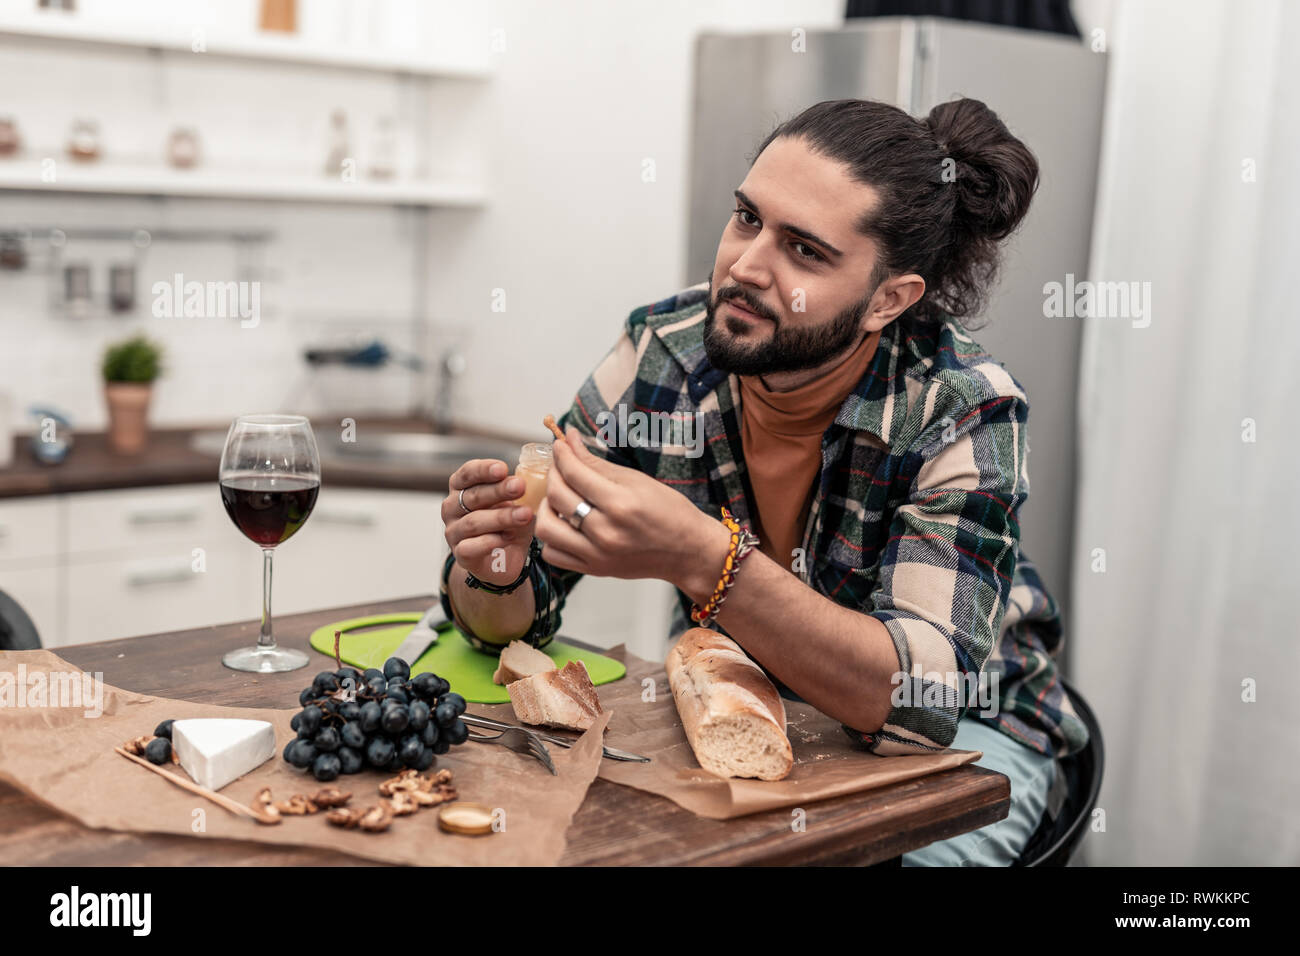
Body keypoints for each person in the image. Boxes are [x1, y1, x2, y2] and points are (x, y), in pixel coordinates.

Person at [439, 97, 1090, 865]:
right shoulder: (666, 352)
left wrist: (703, 559)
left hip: (973, 739)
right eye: (747, 218)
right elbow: (510, 608)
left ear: (889, 298)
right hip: (750, 708)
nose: (745, 266)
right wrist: (496, 570)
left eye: (804, 251)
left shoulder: (962, 405)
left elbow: (921, 698)